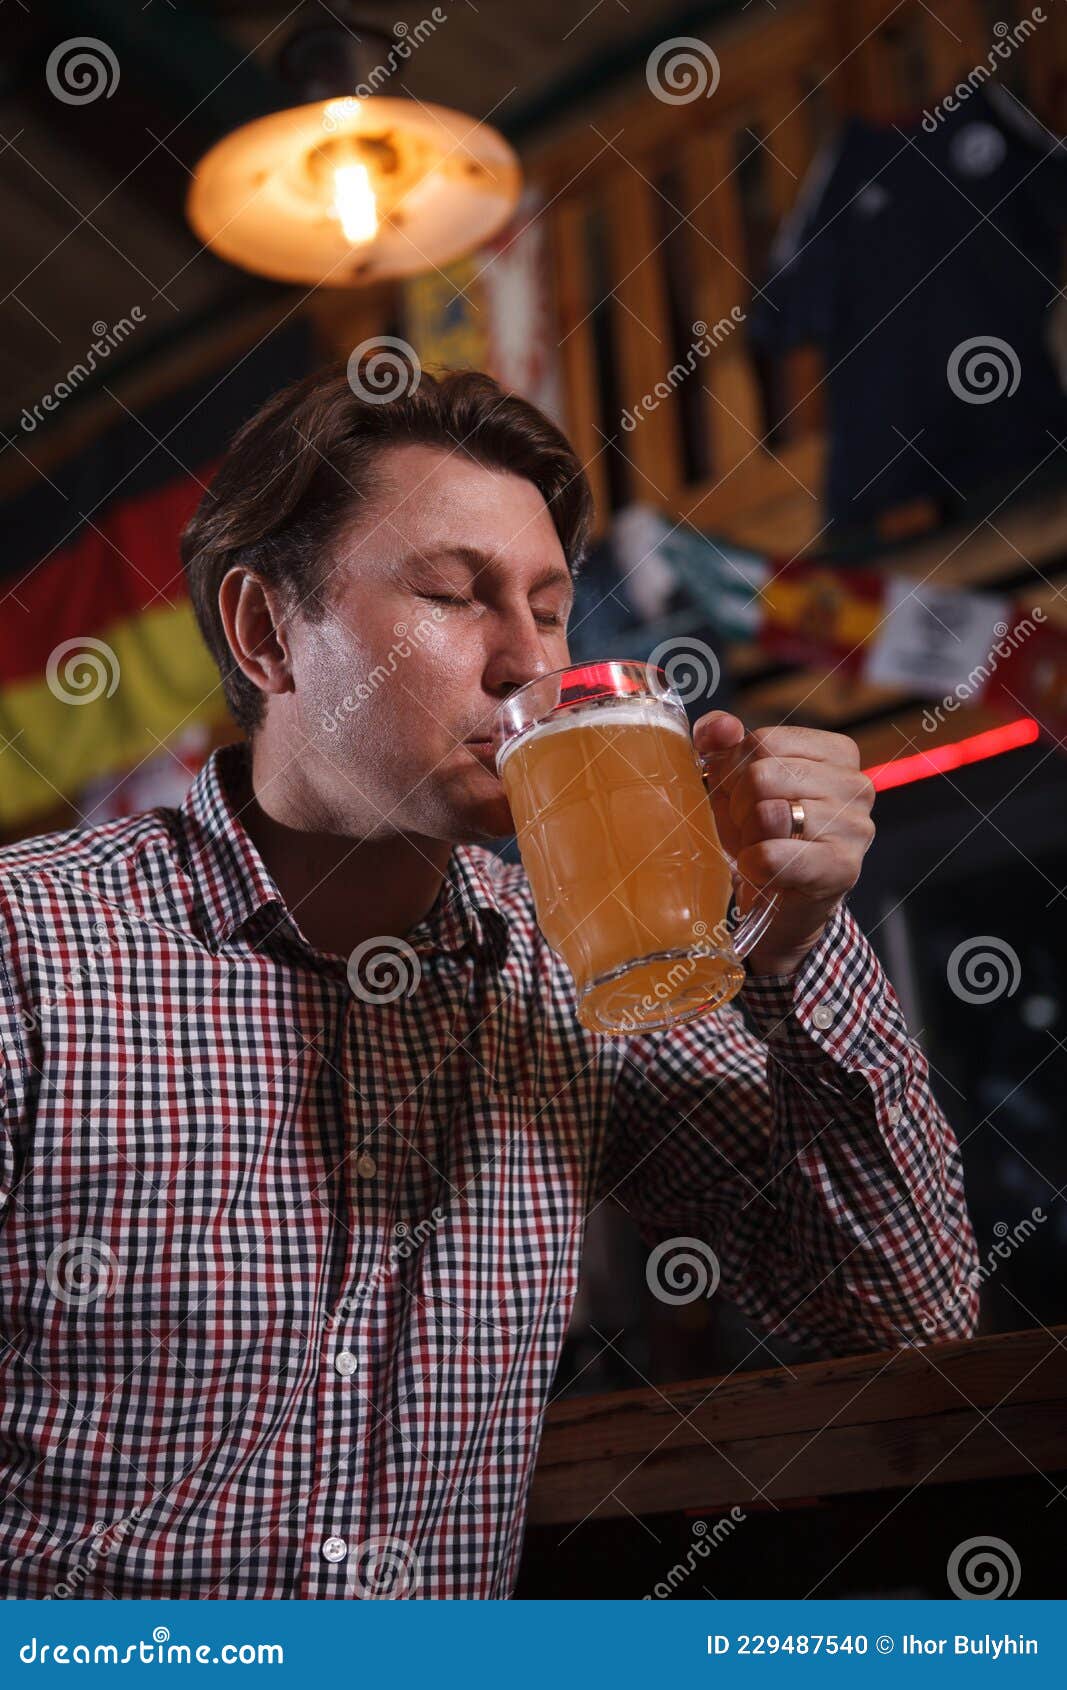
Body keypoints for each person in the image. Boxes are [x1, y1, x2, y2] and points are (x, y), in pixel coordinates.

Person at [0, 363, 979, 1600]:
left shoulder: (582, 972)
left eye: (553, 606)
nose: (527, 660)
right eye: (452, 595)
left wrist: (787, 953)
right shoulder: (32, 945)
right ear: (264, 634)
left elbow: (903, 1322)